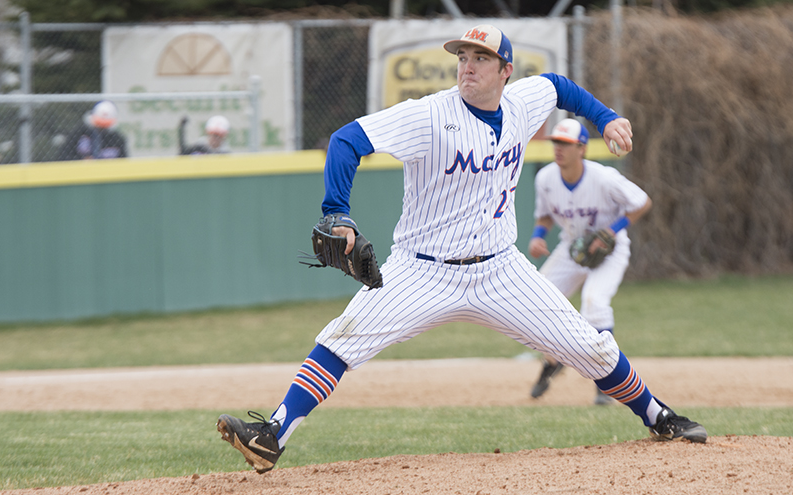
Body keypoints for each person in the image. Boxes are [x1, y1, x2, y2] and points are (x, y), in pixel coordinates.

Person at [215, 24, 706, 474]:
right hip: (421, 271)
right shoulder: (429, 115)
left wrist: (605, 117)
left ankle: (658, 415)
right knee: (343, 338)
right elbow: (347, 140)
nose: (467, 65)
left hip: (500, 271)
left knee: (589, 345)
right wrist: (335, 212)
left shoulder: (522, 103)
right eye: (463, 56)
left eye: (481, 58)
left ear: (505, 72)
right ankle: (272, 434)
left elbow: (559, 86)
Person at [527, 118, 653, 406]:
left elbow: (642, 202)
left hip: (610, 250)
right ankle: (553, 360)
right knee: (537, 301)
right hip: (572, 248)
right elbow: (545, 215)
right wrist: (537, 236)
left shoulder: (604, 177)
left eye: (566, 144)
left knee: (595, 302)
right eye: (556, 143)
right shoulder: (545, 178)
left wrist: (612, 230)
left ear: (581, 148)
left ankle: (606, 381)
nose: (559, 149)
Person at [58, 101, 128, 160]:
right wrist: (82, 160)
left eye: (105, 125)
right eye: (99, 123)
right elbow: (64, 155)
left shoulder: (117, 139)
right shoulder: (80, 133)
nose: (101, 128)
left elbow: (123, 162)